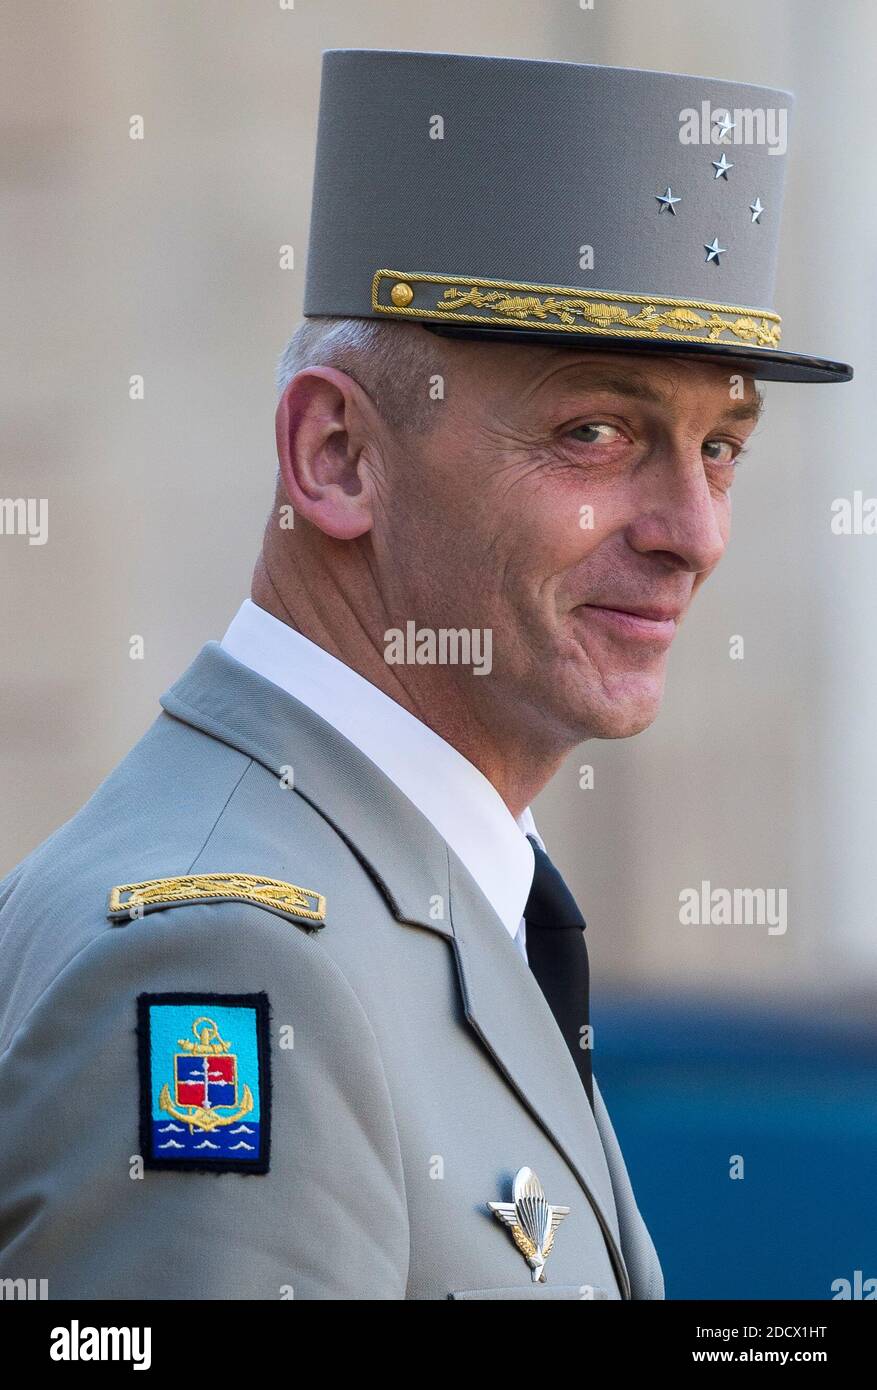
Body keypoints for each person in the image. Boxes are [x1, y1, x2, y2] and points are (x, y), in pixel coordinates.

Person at [0, 49, 851, 1300]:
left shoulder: (399, 888)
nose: (694, 531)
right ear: (337, 455)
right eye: (595, 432)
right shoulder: (229, 962)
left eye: (719, 447)